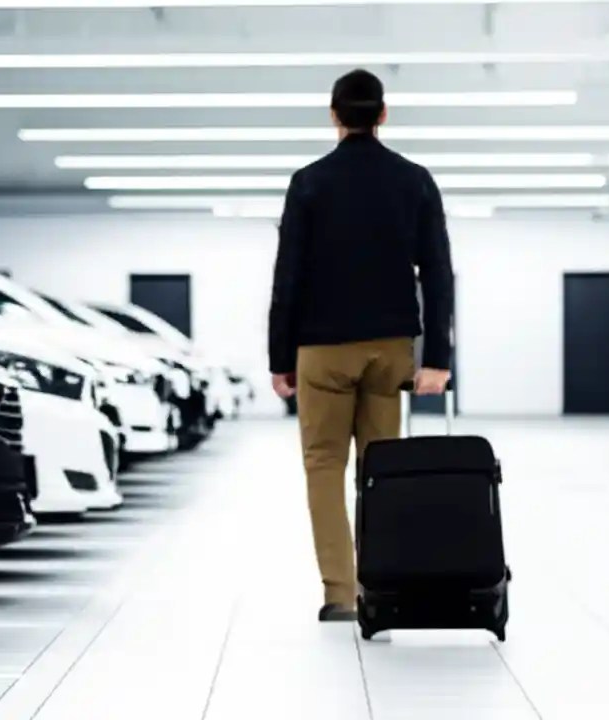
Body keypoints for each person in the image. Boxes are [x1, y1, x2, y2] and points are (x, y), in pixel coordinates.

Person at [267, 68, 455, 622]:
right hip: (390, 348)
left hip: (321, 348)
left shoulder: (308, 183)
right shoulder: (414, 180)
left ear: (334, 115)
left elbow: (287, 277)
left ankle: (340, 593)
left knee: (324, 464)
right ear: (383, 115)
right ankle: (381, 587)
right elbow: (438, 272)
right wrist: (437, 360)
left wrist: (280, 359)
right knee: (380, 469)